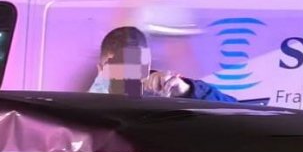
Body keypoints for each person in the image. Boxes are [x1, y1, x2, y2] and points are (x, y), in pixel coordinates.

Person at [89, 26, 237, 102]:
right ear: (100, 70)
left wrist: (187, 91)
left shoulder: (166, 94)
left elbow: (235, 111)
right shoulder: (87, 107)